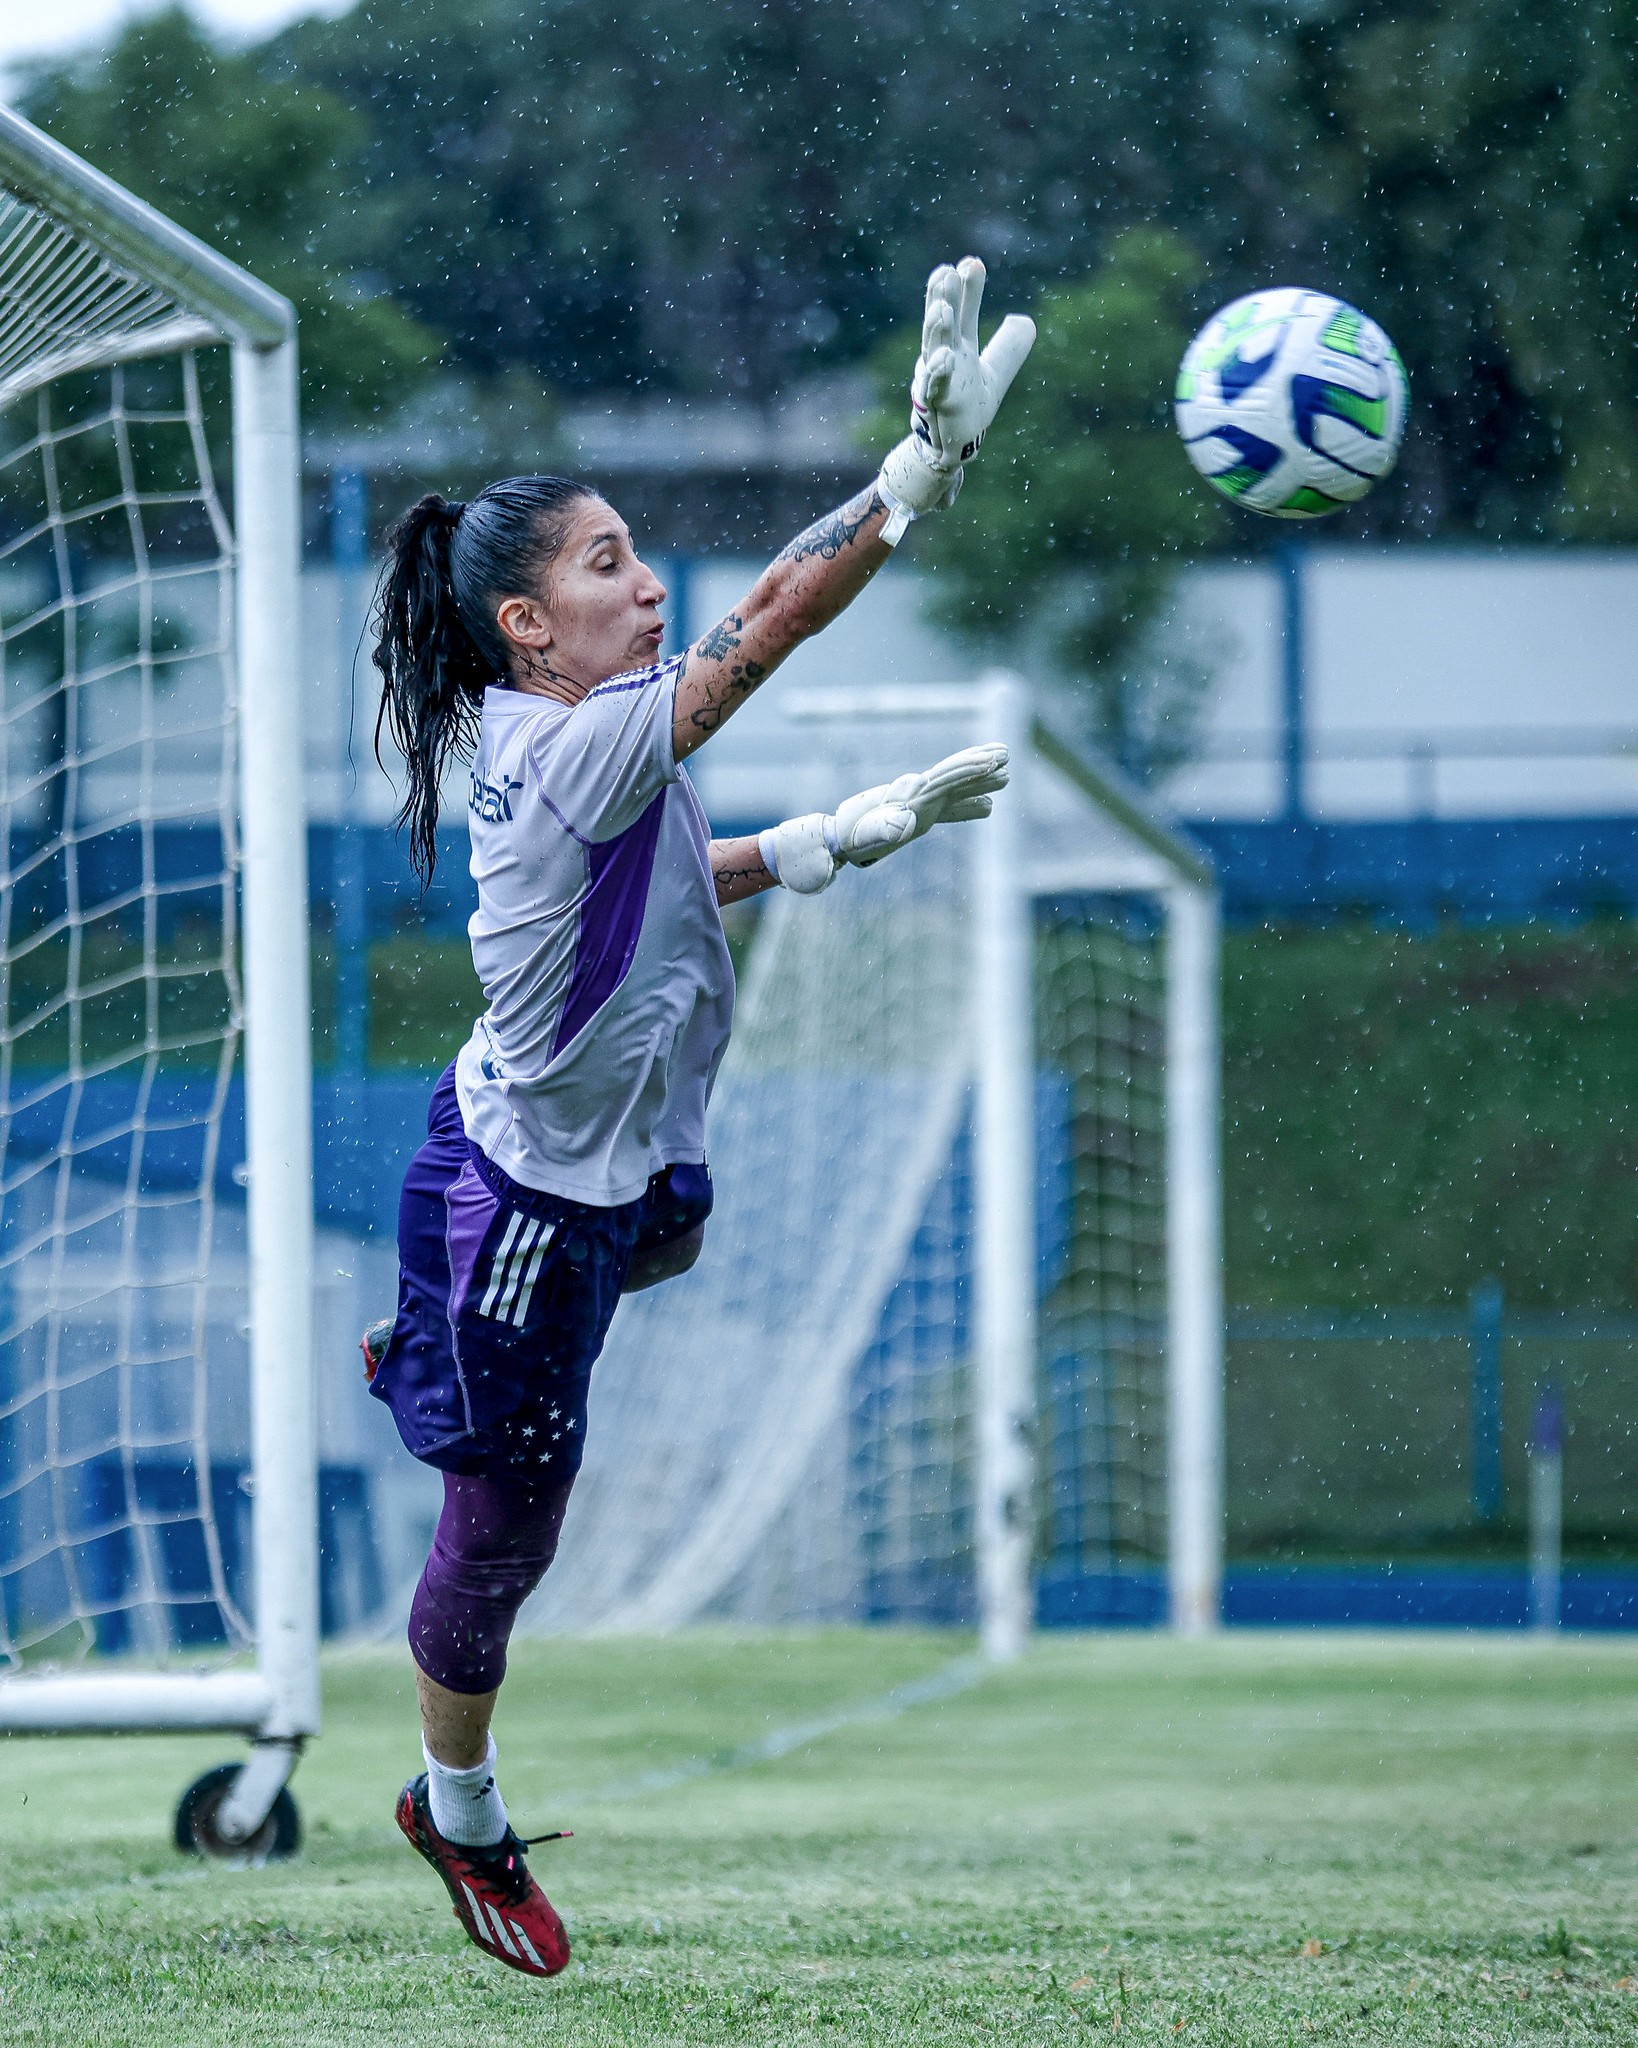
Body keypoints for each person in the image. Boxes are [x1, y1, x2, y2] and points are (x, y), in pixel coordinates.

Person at [360, 258, 1035, 1977]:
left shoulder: (585, 745)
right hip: (525, 1195)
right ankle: (460, 1809)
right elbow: (776, 626)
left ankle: (439, 1342)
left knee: (672, 1227)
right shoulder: (576, 740)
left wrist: (823, 842)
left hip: (587, 1159)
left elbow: (663, 890)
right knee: (507, 1528)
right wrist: (905, 483)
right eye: (607, 566)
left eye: (636, 554)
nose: (649, 586)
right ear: (527, 625)